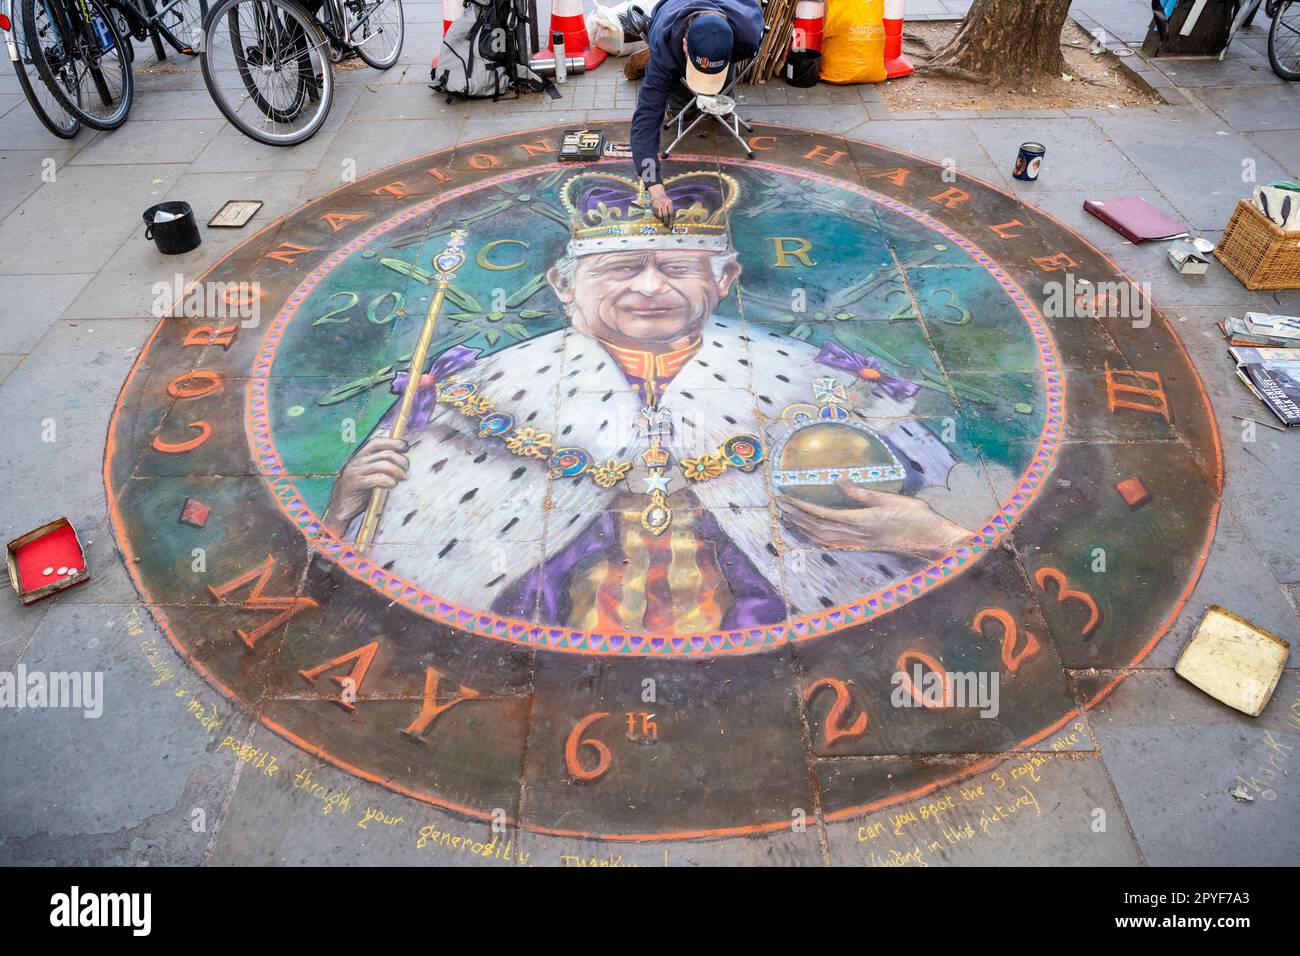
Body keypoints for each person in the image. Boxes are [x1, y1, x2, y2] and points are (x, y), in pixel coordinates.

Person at [322, 169, 980, 633]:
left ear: (723, 279)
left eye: (676, 267)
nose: (648, 287)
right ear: (563, 285)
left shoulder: (818, 383)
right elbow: (372, 559)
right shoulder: (473, 392)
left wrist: (933, 535)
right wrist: (345, 508)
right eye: (618, 267)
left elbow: (948, 529)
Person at [630, 0, 764, 224]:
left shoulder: (747, 37)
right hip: (673, 12)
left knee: (720, 95)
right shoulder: (664, 45)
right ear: (684, 45)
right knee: (681, 104)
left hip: (730, 19)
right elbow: (646, 121)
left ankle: (716, 86)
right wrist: (655, 189)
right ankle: (681, 104)